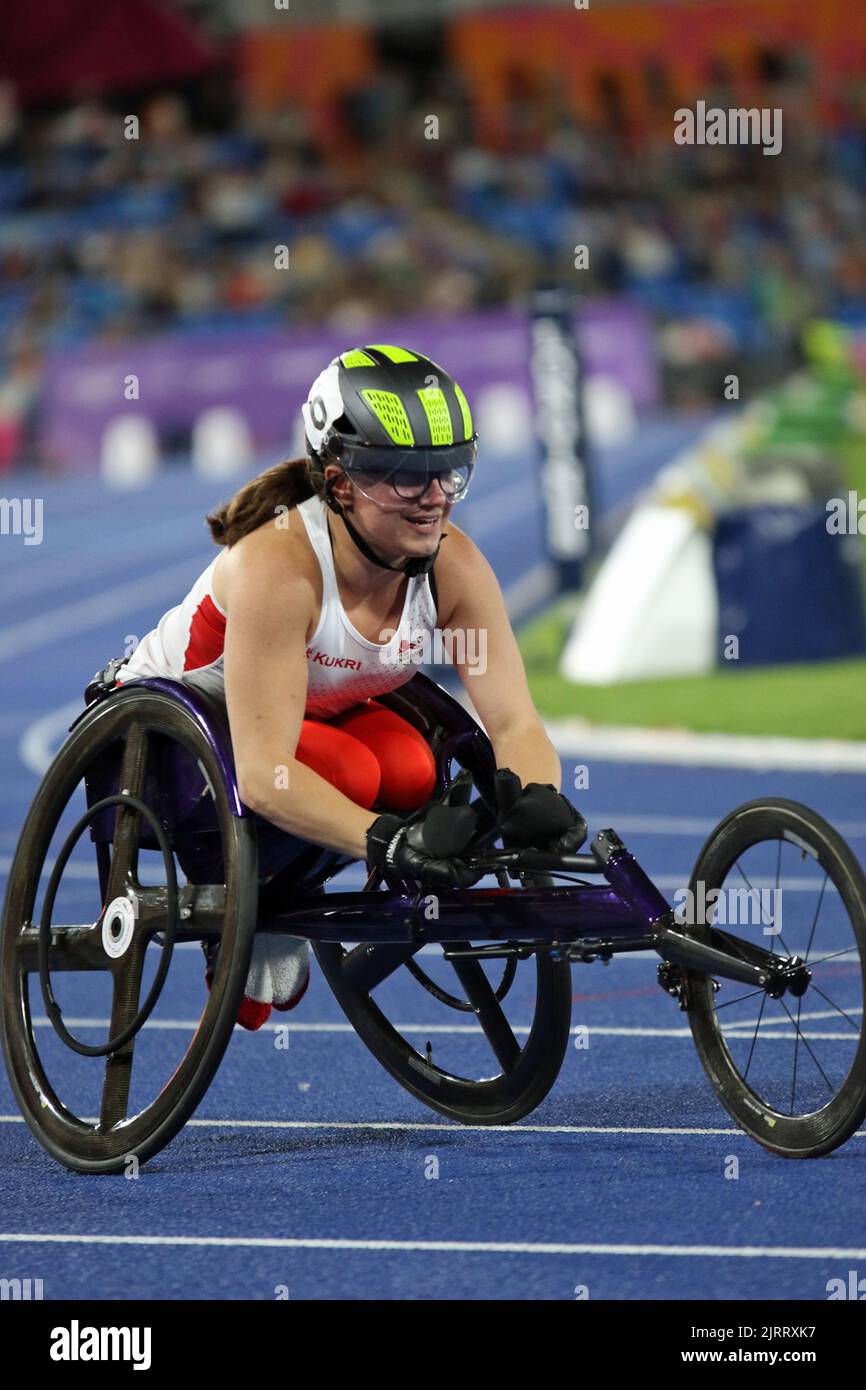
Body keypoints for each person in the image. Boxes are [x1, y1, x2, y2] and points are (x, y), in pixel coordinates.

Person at [114, 344, 586, 1028]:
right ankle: (262, 900)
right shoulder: (281, 567)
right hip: (180, 747)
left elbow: (514, 725)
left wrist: (538, 796)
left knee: (414, 764)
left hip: (305, 718)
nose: (434, 499)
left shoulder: (453, 565)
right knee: (358, 770)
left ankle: (302, 885)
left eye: (447, 473)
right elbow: (265, 770)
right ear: (340, 484)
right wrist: (390, 843)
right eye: (407, 477)